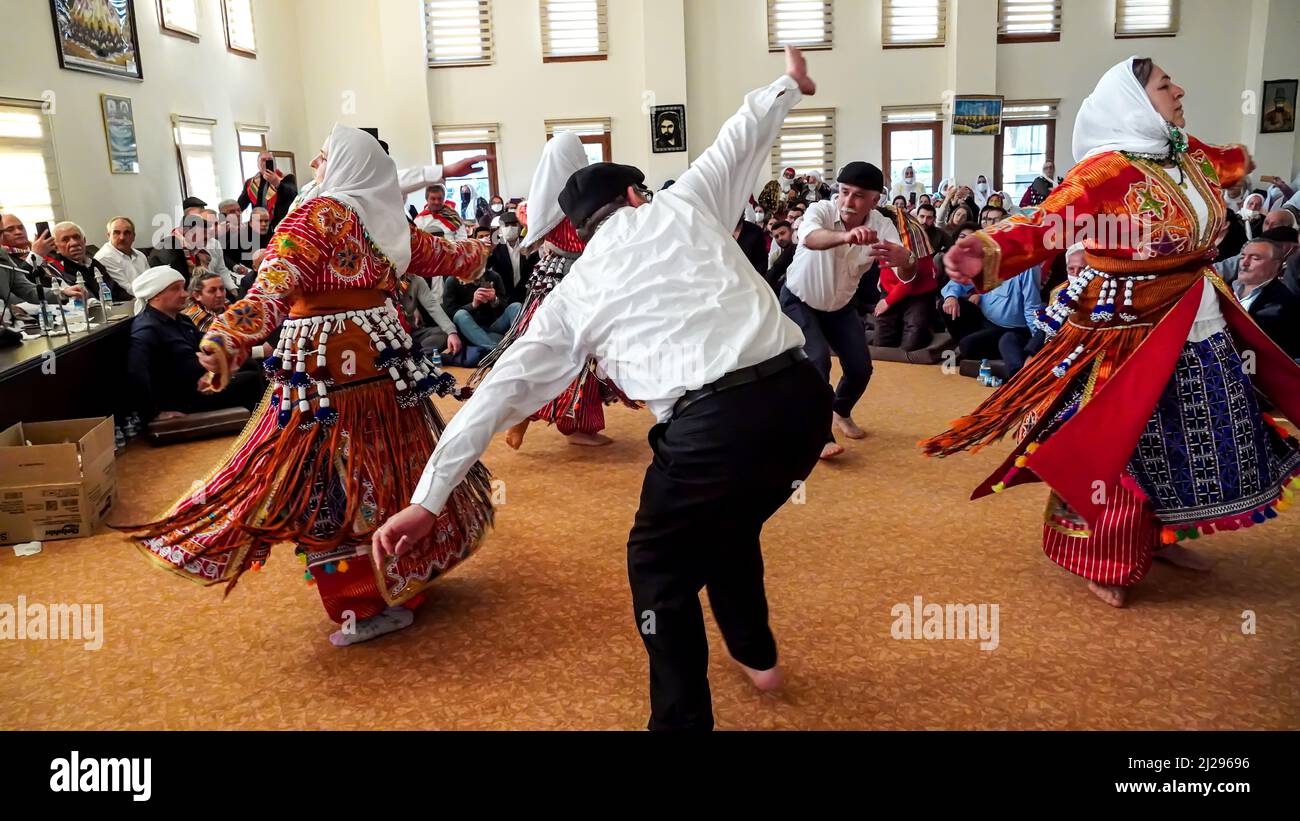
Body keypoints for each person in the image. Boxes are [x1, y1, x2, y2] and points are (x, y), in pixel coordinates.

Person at [375, 47, 828, 732]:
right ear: (635, 194)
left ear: (580, 232)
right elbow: (742, 134)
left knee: (658, 567)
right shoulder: (685, 202)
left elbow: (493, 395)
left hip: (713, 433)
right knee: (728, 521)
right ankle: (757, 652)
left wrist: (426, 500)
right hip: (801, 403)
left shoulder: (576, 290)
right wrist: (787, 87)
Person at [928, 56, 1300, 608]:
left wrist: (1248, 162)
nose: (1179, 89)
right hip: (1127, 328)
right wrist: (984, 250)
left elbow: (1228, 161)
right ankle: (1099, 554)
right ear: (1133, 99)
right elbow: (1047, 222)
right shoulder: (1108, 173)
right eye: (1164, 84)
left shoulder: (1184, 151)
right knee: (1117, 444)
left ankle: (1164, 534)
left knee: (1190, 435)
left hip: (1197, 315)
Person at [123, 125, 497, 647]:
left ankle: (367, 602)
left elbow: (270, 290)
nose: (317, 166)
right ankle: (391, 588)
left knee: (327, 479)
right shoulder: (384, 220)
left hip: (326, 377)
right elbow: (456, 259)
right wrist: (487, 244)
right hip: (376, 370)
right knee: (387, 470)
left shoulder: (316, 216)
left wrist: (228, 336)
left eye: (323, 157)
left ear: (345, 165)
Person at [464, 132, 637, 450]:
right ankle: (577, 425)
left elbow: (533, 243)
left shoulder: (541, 204)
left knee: (539, 352)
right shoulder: (579, 203)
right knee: (580, 355)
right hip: (576, 287)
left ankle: (522, 417)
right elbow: (585, 245)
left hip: (545, 286)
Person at [781, 160, 922, 459]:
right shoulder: (820, 210)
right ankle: (819, 436)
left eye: (859, 195)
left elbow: (905, 274)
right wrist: (845, 237)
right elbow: (809, 238)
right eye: (844, 192)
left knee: (861, 368)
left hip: (840, 307)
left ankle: (840, 410)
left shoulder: (882, 225)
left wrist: (907, 260)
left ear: (875, 200)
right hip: (799, 301)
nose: (848, 201)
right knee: (818, 362)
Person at [125, 266, 262, 422]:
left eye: (183, 288)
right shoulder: (147, 329)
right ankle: (257, 430)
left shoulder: (181, 320)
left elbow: (208, 344)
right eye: (176, 289)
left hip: (203, 380)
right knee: (250, 380)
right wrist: (153, 414)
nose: (184, 294)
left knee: (248, 364)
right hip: (186, 398)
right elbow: (136, 372)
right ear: (156, 295)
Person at [1232, 239, 1300, 358]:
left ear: (1276, 265)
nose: (1244, 263)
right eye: (1243, 257)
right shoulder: (1224, 289)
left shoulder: (1281, 304)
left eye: (1255, 258)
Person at [47, 222, 127, 301]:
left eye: (77, 237)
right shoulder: (60, 270)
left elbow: (116, 291)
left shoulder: (94, 263)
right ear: (55, 247)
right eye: (65, 240)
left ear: (84, 240)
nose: (74, 243)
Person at [238, 151, 298, 231]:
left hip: (280, 226)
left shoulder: (286, 178)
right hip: (258, 227)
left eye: (269, 160)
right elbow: (241, 204)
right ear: (258, 164)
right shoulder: (251, 183)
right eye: (263, 160)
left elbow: (293, 195)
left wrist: (277, 183)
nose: (266, 162)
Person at [486, 211, 536, 305]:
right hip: (503, 299)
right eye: (506, 225)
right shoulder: (496, 248)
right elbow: (485, 268)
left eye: (513, 224)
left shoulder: (529, 245)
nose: (510, 228)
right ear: (500, 229)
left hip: (525, 297)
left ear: (520, 226)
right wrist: (488, 252)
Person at [93, 217, 150, 297]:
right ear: (109, 236)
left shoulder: (140, 255)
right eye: (116, 233)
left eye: (127, 233)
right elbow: (127, 289)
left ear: (133, 236)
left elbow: (151, 280)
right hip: (127, 303)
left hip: (148, 299)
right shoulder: (104, 257)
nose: (122, 237)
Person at [182, 270, 228, 334]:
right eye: (212, 291)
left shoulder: (227, 303)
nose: (220, 295)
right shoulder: (190, 321)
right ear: (197, 295)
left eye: (222, 289)